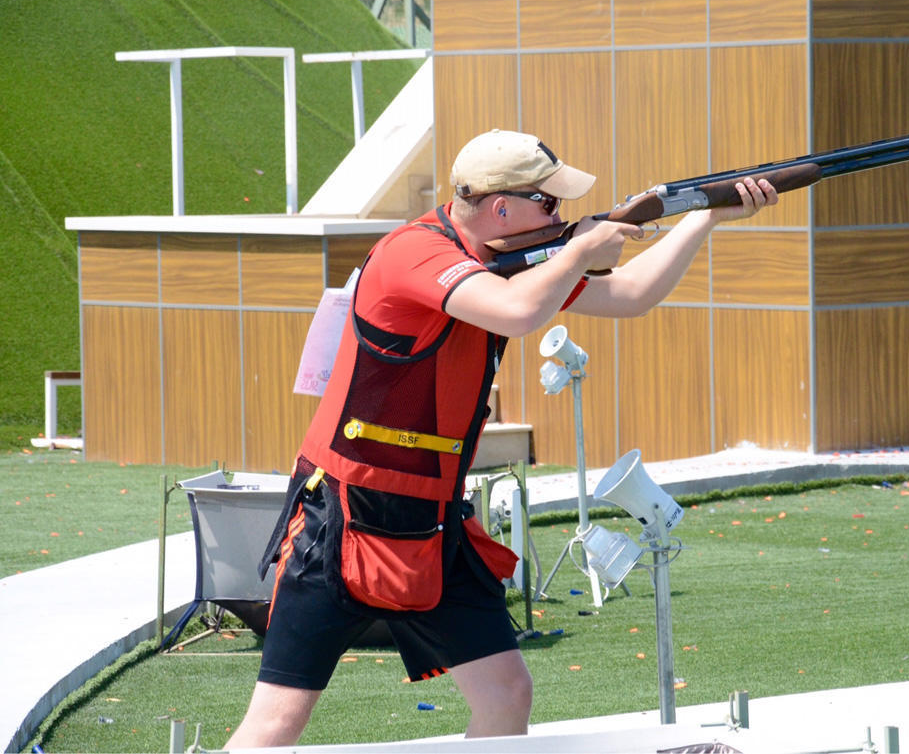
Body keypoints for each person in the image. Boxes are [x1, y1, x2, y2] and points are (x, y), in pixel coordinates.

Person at [225, 129, 778, 748]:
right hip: (345, 518)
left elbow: (629, 295)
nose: (561, 216)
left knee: (507, 695)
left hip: (434, 522)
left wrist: (702, 220)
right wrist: (579, 250)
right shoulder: (415, 253)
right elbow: (516, 311)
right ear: (502, 206)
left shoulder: (506, 263)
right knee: (277, 722)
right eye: (549, 202)